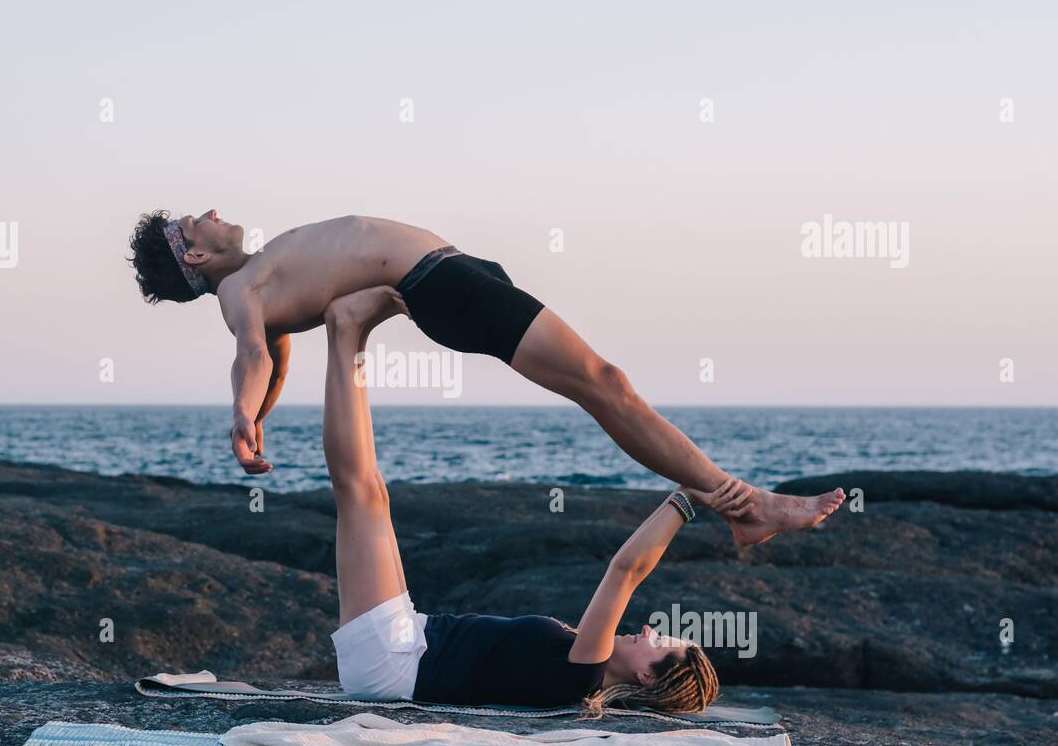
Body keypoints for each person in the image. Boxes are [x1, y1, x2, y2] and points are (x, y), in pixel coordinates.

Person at [127, 210, 844, 546]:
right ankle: (743, 505)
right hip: (439, 287)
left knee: (603, 382)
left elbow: (274, 354)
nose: (213, 213)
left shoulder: (253, 281)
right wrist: (244, 417)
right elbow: (253, 356)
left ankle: (737, 505)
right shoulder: (235, 296)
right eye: (198, 220)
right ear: (191, 255)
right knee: (606, 383)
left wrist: (264, 409)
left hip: (455, 272)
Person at [316, 286, 796, 712]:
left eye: (659, 643)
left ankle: (346, 330)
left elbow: (626, 569)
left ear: (648, 676)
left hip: (394, 661)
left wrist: (686, 499)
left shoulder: (586, 671)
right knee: (370, 491)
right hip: (408, 641)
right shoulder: (580, 668)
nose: (649, 632)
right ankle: (350, 332)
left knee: (358, 490)